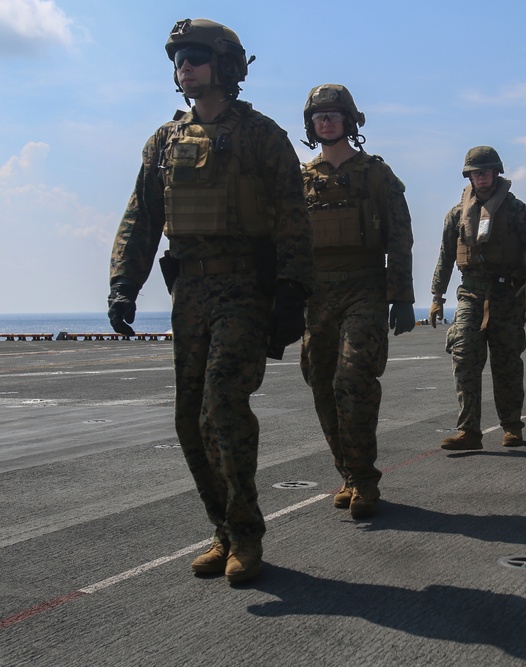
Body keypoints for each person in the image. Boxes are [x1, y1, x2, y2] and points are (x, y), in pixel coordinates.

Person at [107, 18, 313, 584]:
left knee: (223, 402)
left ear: (226, 65)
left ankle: (247, 535)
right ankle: (222, 528)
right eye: (178, 58)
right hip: (190, 289)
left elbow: (294, 218)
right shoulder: (165, 140)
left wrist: (292, 291)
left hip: (246, 287)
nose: (184, 66)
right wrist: (124, 283)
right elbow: (142, 217)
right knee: (188, 420)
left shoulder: (261, 135)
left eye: (196, 56)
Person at [299, 84, 414, 520]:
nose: (325, 121)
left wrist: (401, 296)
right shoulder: (302, 179)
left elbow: (400, 237)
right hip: (318, 294)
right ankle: (347, 472)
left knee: (353, 380)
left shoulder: (376, 174)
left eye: (333, 114)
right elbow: (288, 242)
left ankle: (365, 479)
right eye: (318, 115)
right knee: (321, 382)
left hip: (365, 287)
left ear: (349, 120)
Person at [429, 146, 526, 450]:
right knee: (464, 355)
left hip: (507, 294)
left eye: (486, 171)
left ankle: (512, 426)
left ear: (497, 173)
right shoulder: (456, 214)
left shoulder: (518, 211)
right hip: (470, 292)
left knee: (507, 362)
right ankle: (469, 431)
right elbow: (445, 256)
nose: (481, 177)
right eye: (476, 172)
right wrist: (437, 295)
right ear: (469, 176)